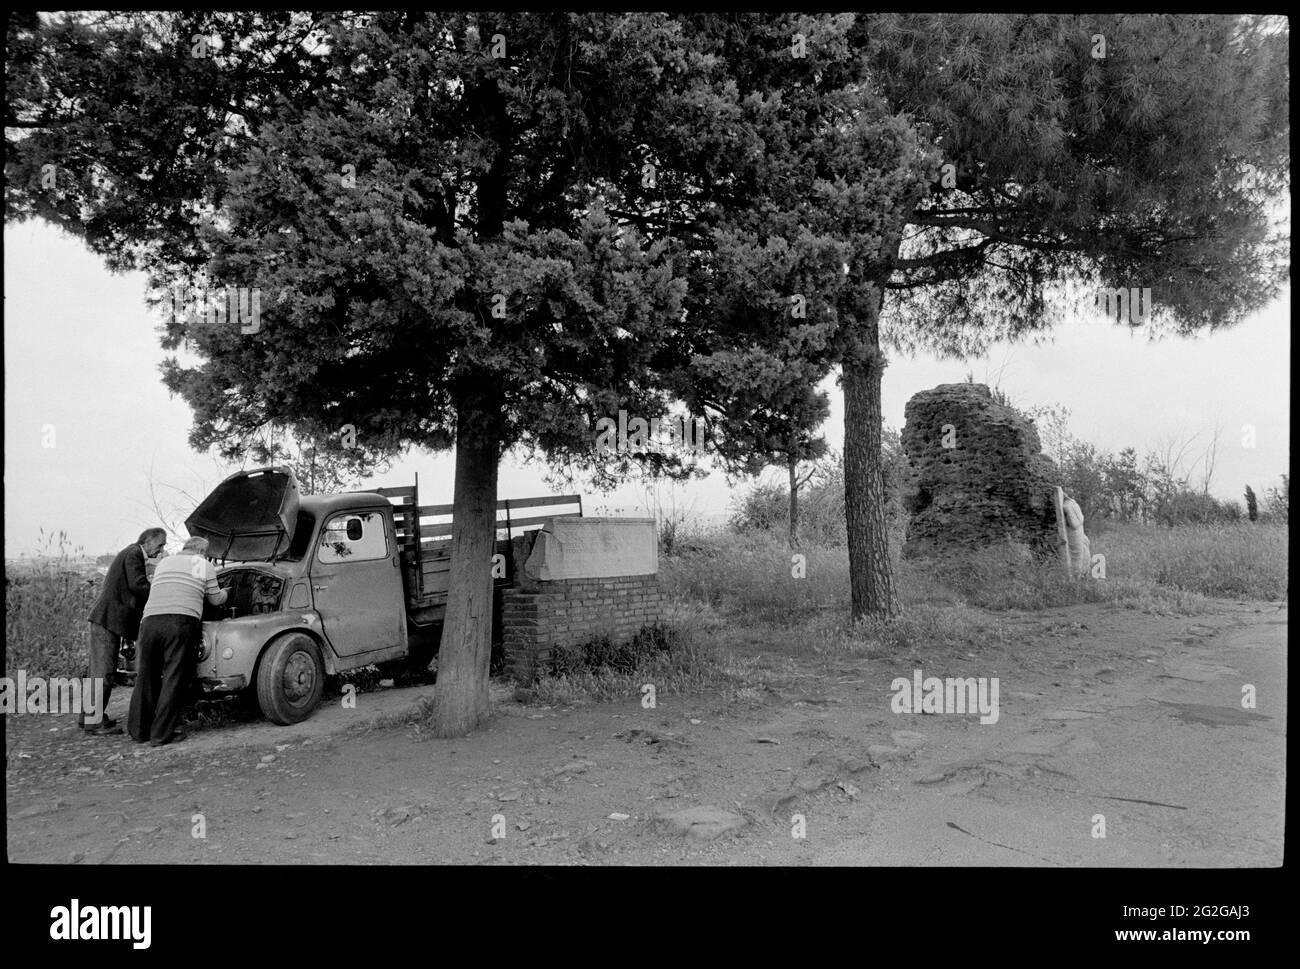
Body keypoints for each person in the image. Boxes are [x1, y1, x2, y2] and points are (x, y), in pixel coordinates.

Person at [128, 536, 227, 747]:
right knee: (174, 677)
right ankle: (161, 734)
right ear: (202, 551)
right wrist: (227, 593)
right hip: (179, 622)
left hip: (149, 621)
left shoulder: (165, 562)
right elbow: (215, 600)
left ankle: (138, 731)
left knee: (147, 675)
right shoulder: (202, 564)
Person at [82, 528, 167, 735]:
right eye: (160, 545)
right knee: (104, 672)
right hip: (107, 620)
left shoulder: (132, 553)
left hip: (105, 620)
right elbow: (137, 585)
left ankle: (89, 717)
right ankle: (94, 723)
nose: (161, 550)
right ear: (146, 542)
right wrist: (160, 591)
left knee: (97, 672)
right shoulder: (134, 554)